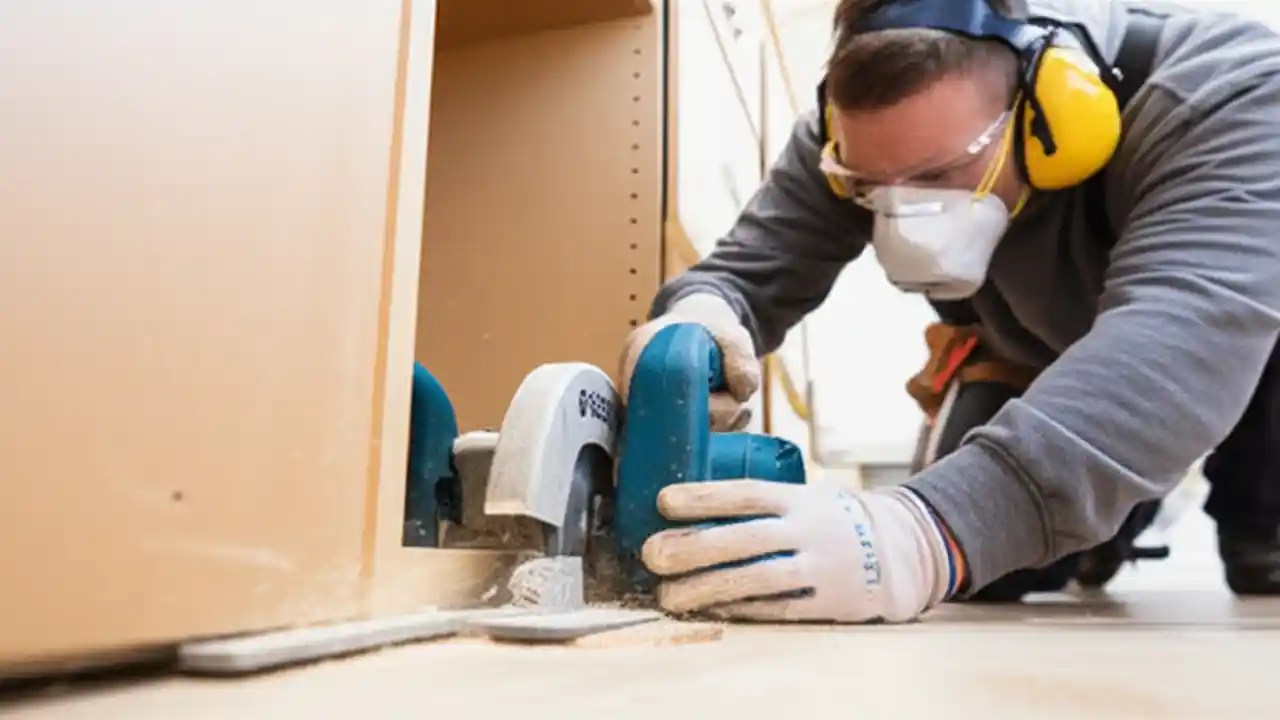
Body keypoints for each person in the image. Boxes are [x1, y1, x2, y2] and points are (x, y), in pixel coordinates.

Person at [619, 0, 1280, 623]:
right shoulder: (855, 143)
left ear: (1049, 113)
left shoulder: (1229, 91)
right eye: (872, 186)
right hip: (1039, 358)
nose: (903, 208)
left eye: (937, 176)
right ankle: (1109, 516)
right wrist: (700, 320)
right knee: (987, 569)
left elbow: (1181, 338)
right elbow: (745, 273)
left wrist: (918, 535)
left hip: (1232, 342)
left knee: (1265, 556)